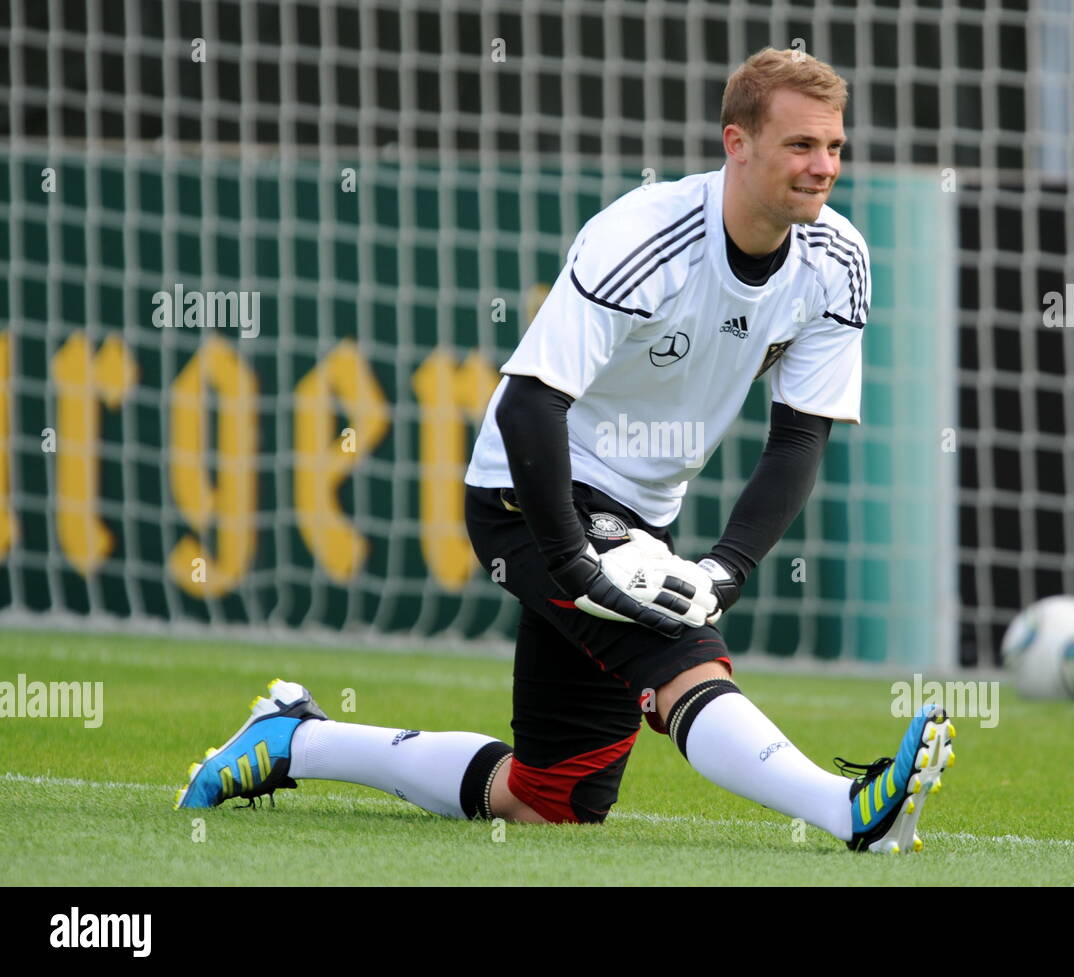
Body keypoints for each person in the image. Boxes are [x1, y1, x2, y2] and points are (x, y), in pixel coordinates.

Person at [175, 48, 954, 854]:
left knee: (551, 797)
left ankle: (295, 739)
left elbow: (799, 436)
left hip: (640, 515)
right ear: (737, 142)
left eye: (834, 147)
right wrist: (576, 559)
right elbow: (528, 402)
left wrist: (729, 566)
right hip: (528, 494)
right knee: (680, 653)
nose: (823, 166)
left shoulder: (840, 260)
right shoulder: (644, 234)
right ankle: (852, 809)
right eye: (801, 145)